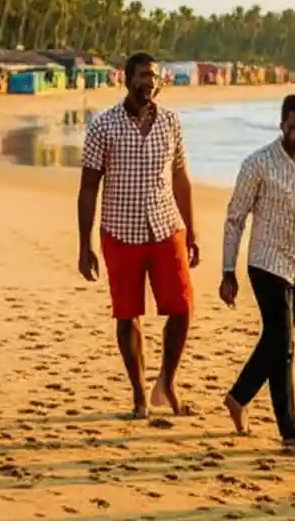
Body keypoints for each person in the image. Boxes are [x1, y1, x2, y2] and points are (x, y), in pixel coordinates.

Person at [77, 51, 200, 419]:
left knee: (182, 308)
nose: (150, 81)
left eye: (154, 76)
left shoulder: (172, 123)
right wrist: (84, 247)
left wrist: (191, 232)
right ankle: (139, 396)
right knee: (127, 315)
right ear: (127, 79)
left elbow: (180, 178)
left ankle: (168, 383)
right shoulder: (103, 127)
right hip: (120, 232)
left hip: (166, 227)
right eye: (144, 75)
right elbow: (88, 189)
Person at [220, 94, 295, 453]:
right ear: (282, 124)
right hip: (265, 263)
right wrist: (228, 270)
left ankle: (238, 397)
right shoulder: (258, 163)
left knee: (274, 343)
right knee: (284, 348)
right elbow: (235, 218)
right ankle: (290, 434)